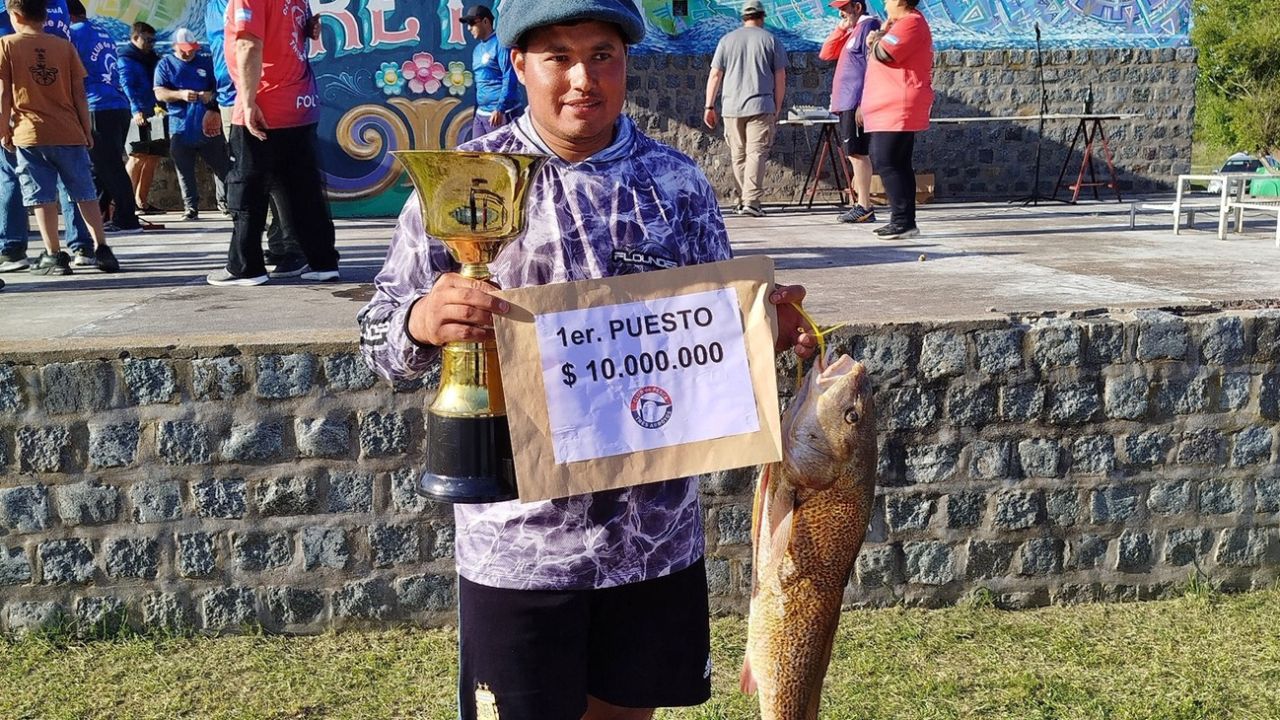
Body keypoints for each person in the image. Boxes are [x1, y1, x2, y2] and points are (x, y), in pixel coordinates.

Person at [357, 1, 815, 718]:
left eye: (602, 54)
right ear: (518, 64)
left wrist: (766, 333)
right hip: (518, 544)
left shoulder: (678, 183)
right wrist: (420, 322)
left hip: (652, 540)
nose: (582, 79)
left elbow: (713, 350)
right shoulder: (463, 182)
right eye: (558, 56)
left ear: (626, 61)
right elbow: (379, 338)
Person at [209, 0, 340, 286]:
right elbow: (295, 33)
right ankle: (322, 261)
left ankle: (246, 267)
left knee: (246, 187)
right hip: (300, 104)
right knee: (303, 187)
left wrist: (247, 100)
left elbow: (248, 45)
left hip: (267, 103)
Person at [0, 0, 117, 275]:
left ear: (15, 15)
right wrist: (86, 130)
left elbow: (4, 93)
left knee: (42, 196)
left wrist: (3, 128)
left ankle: (53, 253)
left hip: (30, 133)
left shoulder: (6, 45)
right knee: (83, 192)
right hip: (69, 131)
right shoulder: (65, 47)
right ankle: (101, 248)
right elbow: (79, 93)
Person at [703, 0, 786, 217]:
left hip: (731, 107)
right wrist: (777, 107)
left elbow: (715, 75)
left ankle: (743, 198)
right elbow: (780, 76)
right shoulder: (771, 40)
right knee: (756, 153)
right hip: (761, 104)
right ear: (762, 17)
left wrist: (709, 105)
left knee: (738, 155)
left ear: (743, 18)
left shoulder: (726, 40)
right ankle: (751, 201)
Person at [67, 0, 142, 233]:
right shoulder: (101, 30)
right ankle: (102, 215)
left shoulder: (74, 33)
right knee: (102, 165)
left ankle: (127, 218)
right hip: (118, 104)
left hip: (97, 105)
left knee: (108, 166)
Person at [861, 0, 933, 239]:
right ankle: (903, 220)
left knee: (887, 160)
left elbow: (885, 53)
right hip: (885, 106)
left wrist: (875, 40)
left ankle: (902, 221)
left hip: (897, 105)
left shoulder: (911, 23)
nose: (884, 1)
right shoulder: (897, 24)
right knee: (896, 163)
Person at [154, 27, 228, 221]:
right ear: (174, 47)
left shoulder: (206, 62)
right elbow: (159, 93)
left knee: (221, 165)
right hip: (180, 126)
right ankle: (190, 207)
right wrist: (180, 95)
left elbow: (221, 87)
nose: (189, 53)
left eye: (192, 48)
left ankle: (226, 202)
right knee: (184, 169)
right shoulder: (165, 64)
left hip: (208, 125)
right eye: (184, 49)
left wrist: (210, 97)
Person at [820, 0, 880, 224]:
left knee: (857, 153)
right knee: (853, 153)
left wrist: (863, 103)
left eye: (844, 8)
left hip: (855, 101)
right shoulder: (853, 30)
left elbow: (873, 65)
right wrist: (842, 28)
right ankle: (860, 204)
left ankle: (864, 205)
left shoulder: (869, 27)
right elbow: (826, 53)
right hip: (846, 101)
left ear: (857, 7)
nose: (840, 13)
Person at [117, 21, 162, 214]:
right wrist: (136, 110)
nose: (151, 43)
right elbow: (127, 86)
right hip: (137, 112)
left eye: (154, 40)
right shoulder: (125, 59)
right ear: (135, 37)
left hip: (156, 111)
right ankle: (125, 203)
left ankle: (142, 202)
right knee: (137, 156)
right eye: (147, 39)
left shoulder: (152, 58)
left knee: (153, 157)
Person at [459, 4, 523, 140]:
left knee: (500, 157)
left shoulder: (501, 45)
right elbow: (479, 84)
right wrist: (476, 112)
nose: (469, 28)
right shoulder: (476, 50)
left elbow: (509, 76)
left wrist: (500, 108)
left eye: (471, 23)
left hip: (500, 114)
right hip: (481, 115)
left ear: (486, 21)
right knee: (479, 156)